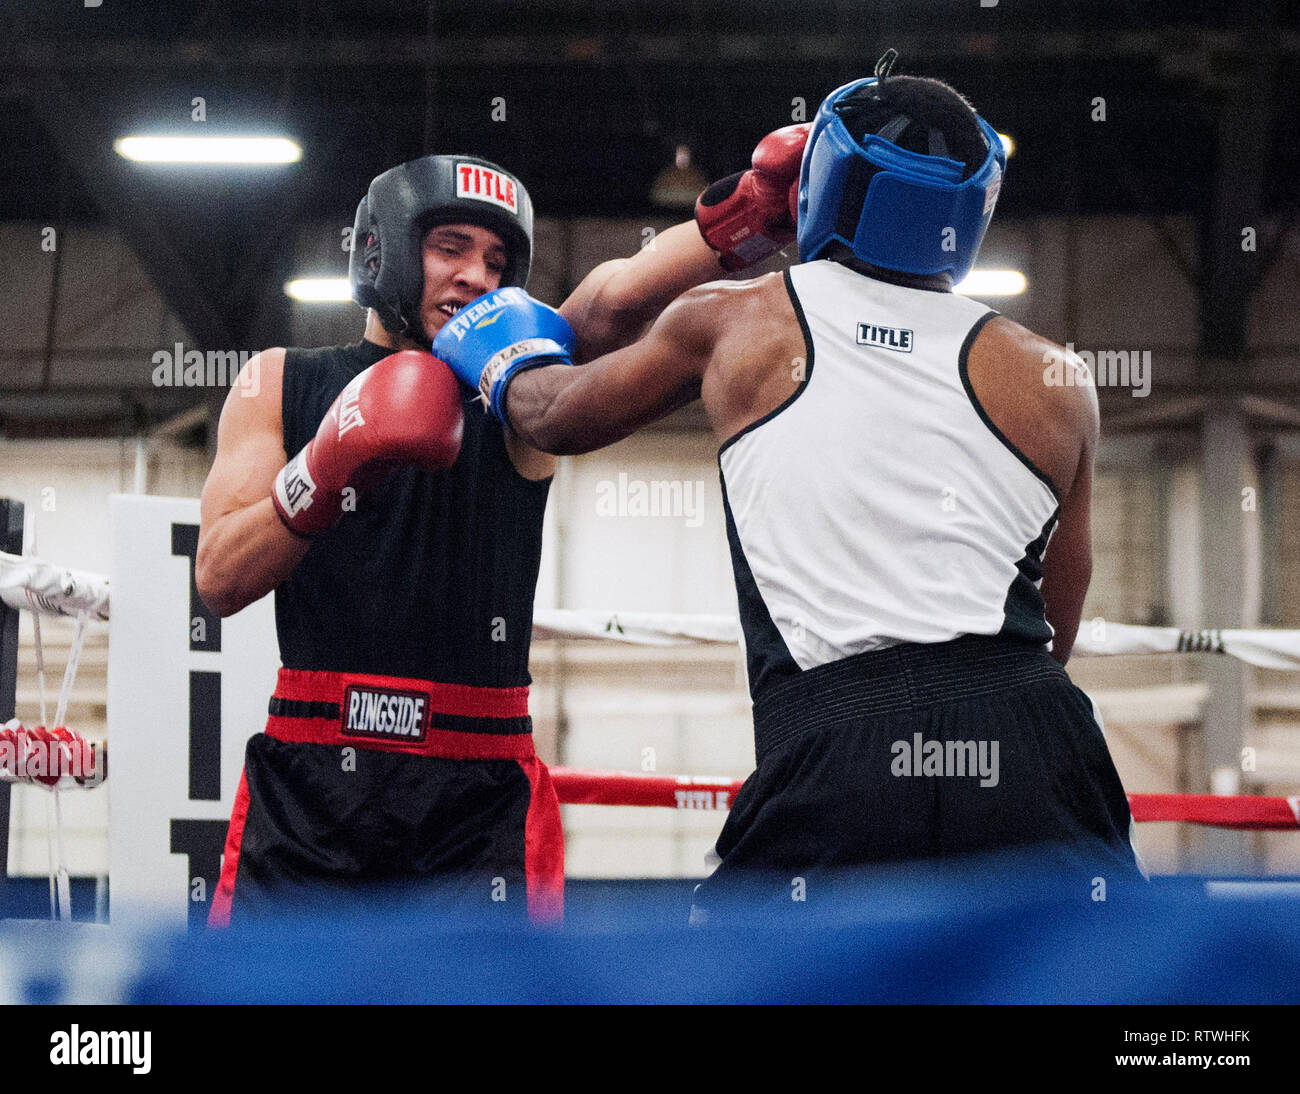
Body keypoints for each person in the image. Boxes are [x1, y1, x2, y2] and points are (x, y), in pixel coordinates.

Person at [434, 55, 1143, 914]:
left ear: (824, 181)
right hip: (1038, 744)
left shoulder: (740, 317)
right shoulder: (1059, 380)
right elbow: (1057, 631)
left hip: (842, 748)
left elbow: (554, 415)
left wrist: (495, 351)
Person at [195, 141, 807, 925]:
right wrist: (330, 457)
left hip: (472, 798)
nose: (476, 277)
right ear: (381, 250)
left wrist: (751, 216)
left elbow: (614, 299)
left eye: (495, 261)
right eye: (450, 248)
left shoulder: (514, 386)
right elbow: (218, 579)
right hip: (310, 776)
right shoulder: (278, 380)